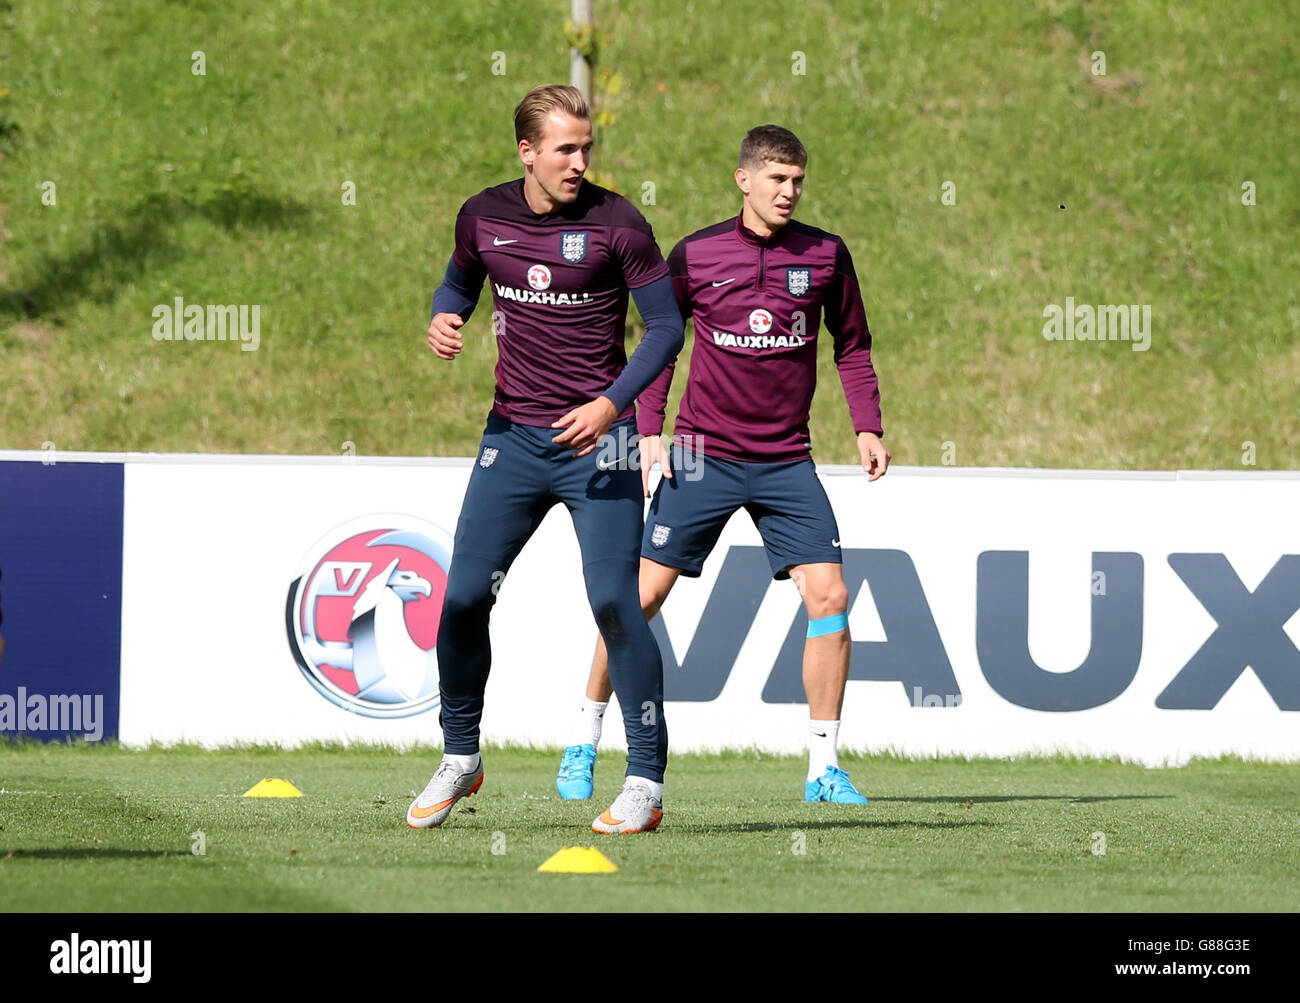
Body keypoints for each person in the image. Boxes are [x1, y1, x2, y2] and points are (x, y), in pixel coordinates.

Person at [555, 125, 889, 805]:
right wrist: (650, 430)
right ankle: (583, 738)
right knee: (637, 598)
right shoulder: (697, 253)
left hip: (785, 458)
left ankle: (823, 768)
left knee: (831, 598)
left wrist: (867, 425)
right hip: (701, 453)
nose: (789, 191)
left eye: (798, 180)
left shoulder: (826, 255)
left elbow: (851, 345)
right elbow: (662, 339)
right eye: (776, 178)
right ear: (744, 180)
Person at [410, 85, 685, 835]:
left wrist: (611, 404)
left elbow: (665, 328)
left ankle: (645, 781)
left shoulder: (620, 223)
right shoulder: (482, 214)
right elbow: (460, 278)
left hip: (604, 444)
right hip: (514, 440)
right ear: (527, 151)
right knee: (464, 595)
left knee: (615, 604)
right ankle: (460, 755)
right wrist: (445, 313)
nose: (580, 161)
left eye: (586, 147)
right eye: (565, 148)